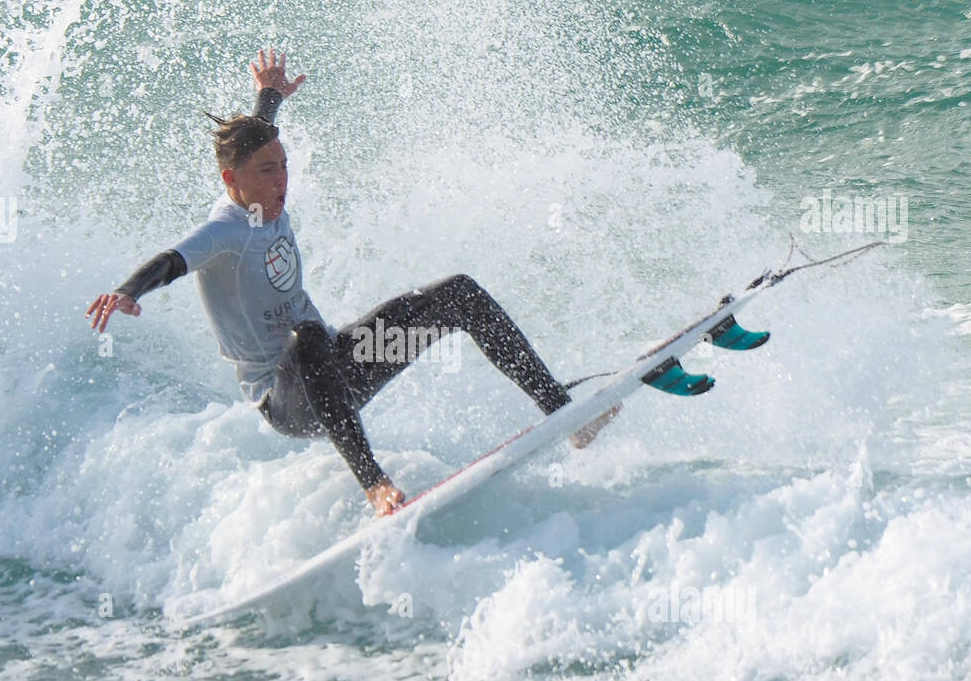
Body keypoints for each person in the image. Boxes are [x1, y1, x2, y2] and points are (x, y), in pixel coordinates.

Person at [87, 48, 616, 516]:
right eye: (267, 172)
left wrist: (268, 98)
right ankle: (375, 485)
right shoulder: (224, 231)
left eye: (284, 166)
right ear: (232, 181)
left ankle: (565, 414)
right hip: (290, 402)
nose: (281, 182)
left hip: (340, 371)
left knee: (458, 293)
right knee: (308, 337)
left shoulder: (261, 187)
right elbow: (172, 260)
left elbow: (257, 141)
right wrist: (129, 291)